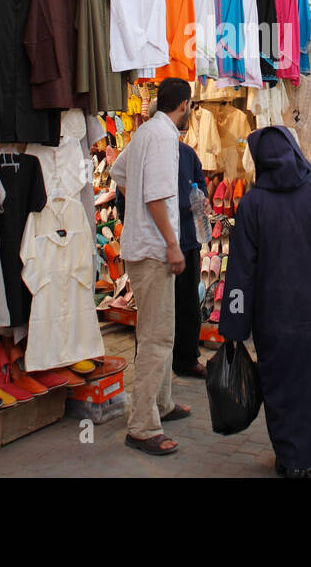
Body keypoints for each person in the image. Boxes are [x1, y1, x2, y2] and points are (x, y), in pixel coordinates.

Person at [219, 127, 311, 477]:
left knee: (284, 384)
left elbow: (241, 270)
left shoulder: (253, 203)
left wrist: (234, 325)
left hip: (276, 316)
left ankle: (292, 457)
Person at [111, 77, 193, 456]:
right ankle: (142, 425)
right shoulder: (163, 138)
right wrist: (172, 244)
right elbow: (157, 195)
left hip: (143, 246)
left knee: (163, 331)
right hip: (155, 250)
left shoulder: (146, 132)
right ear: (185, 105)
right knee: (156, 338)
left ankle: (161, 404)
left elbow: (119, 174)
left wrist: (141, 218)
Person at [173, 139, 207, 379]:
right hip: (160, 241)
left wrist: (201, 199)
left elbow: (200, 187)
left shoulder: (186, 153)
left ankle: (186, 358)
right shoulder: (145, 148)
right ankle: (169, 361)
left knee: (188, 301)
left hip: (187, 236)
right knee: (162, 307)